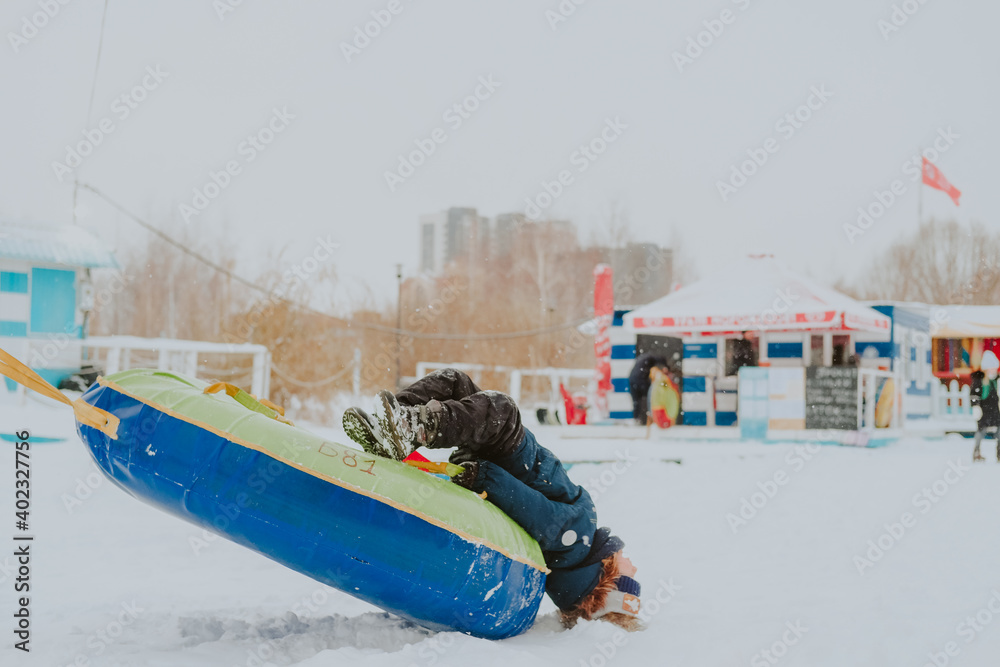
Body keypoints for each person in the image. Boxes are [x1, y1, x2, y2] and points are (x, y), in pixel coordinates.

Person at [342, 369, 643, 631]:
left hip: (508, 456)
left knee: (500, 408)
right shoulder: (569, 557)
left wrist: (486, 478)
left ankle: (408, 425)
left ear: (610, 579)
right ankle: (394, 426)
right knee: (456, 383)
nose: (634, 567)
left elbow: (535, 511)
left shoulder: (578, 541)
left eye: (630, 575)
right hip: (504, 461)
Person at [971, 350, 1000, 462]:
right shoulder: (979, 381)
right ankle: (977, 452)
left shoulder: (995, 380)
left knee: (999, 432)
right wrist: (976, 406)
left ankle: (999, 453)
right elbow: (974, 394)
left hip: (995, 410)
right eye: (992, 368)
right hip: (984, 411)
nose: (994, 371)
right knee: (981, 431)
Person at [628, 351, 669, 425]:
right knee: (652, 397)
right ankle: (652, 417)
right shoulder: (650, 358)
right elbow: (659, 360)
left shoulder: (641, 359)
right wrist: (666, 366)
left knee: (636, 402)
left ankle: (636, 419)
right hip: (640, 380)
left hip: (632, 380)